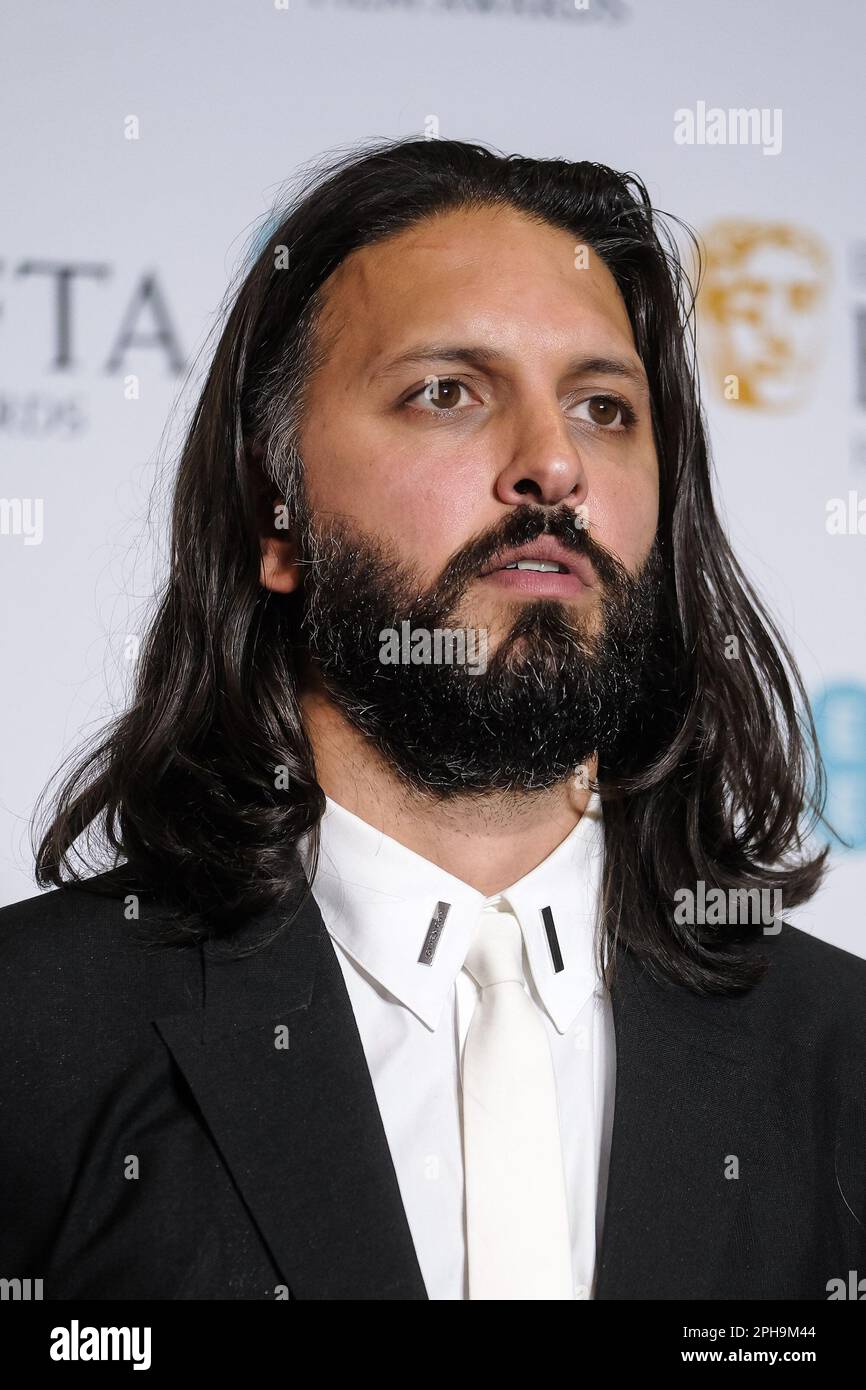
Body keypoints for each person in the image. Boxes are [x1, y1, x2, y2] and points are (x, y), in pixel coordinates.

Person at [1, 138, 864, 1301]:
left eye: (603, 408)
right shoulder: (31, 1039)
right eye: (446, 392)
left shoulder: (842, 1061)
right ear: (275, 508)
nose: (552, 465)